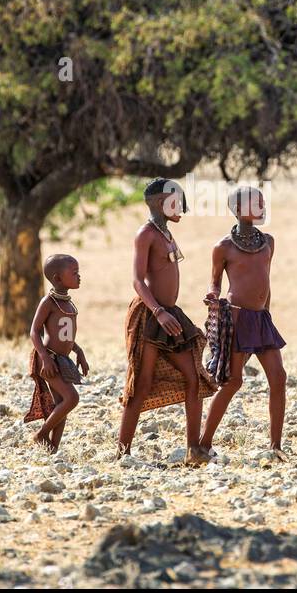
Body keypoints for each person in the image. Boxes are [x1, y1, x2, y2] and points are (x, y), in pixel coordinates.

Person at [118, 178, 218, 465]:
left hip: (172, 313)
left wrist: (168, 311)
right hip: (150, 315)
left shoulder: (166, 234)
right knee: (141, 382)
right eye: (177, 202)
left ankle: (193, 449)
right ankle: (122, 453)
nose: (182, 208)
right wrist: (158, 311)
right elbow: (137, 280)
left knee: (194, 377)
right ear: (161, 202)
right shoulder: (146, 234)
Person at [199, 186, 288, 459]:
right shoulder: (223, 247)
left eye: (263, 202)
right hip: (236, 318)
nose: (262, 206)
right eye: (256, 203)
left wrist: (267, 312)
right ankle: (203, 443)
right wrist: (212, 295)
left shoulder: (268, 242)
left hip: (261, 320)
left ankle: (275, 447)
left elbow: (267, 281)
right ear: (238, 209)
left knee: (278, 377)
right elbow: (215, 282)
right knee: (233, 381)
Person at [23, 254, 89, 452]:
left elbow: (65, 335)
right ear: (58, 278)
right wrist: (44, 357)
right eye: (74, 273)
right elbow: (34, 331)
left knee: (61, 405)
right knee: (71, 398)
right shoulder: (49, 302)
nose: (79, 276)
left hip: (62, 360)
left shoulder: (68, 303)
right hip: (49, 360)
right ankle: (41, 434)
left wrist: (79, 352)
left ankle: (53, 447)